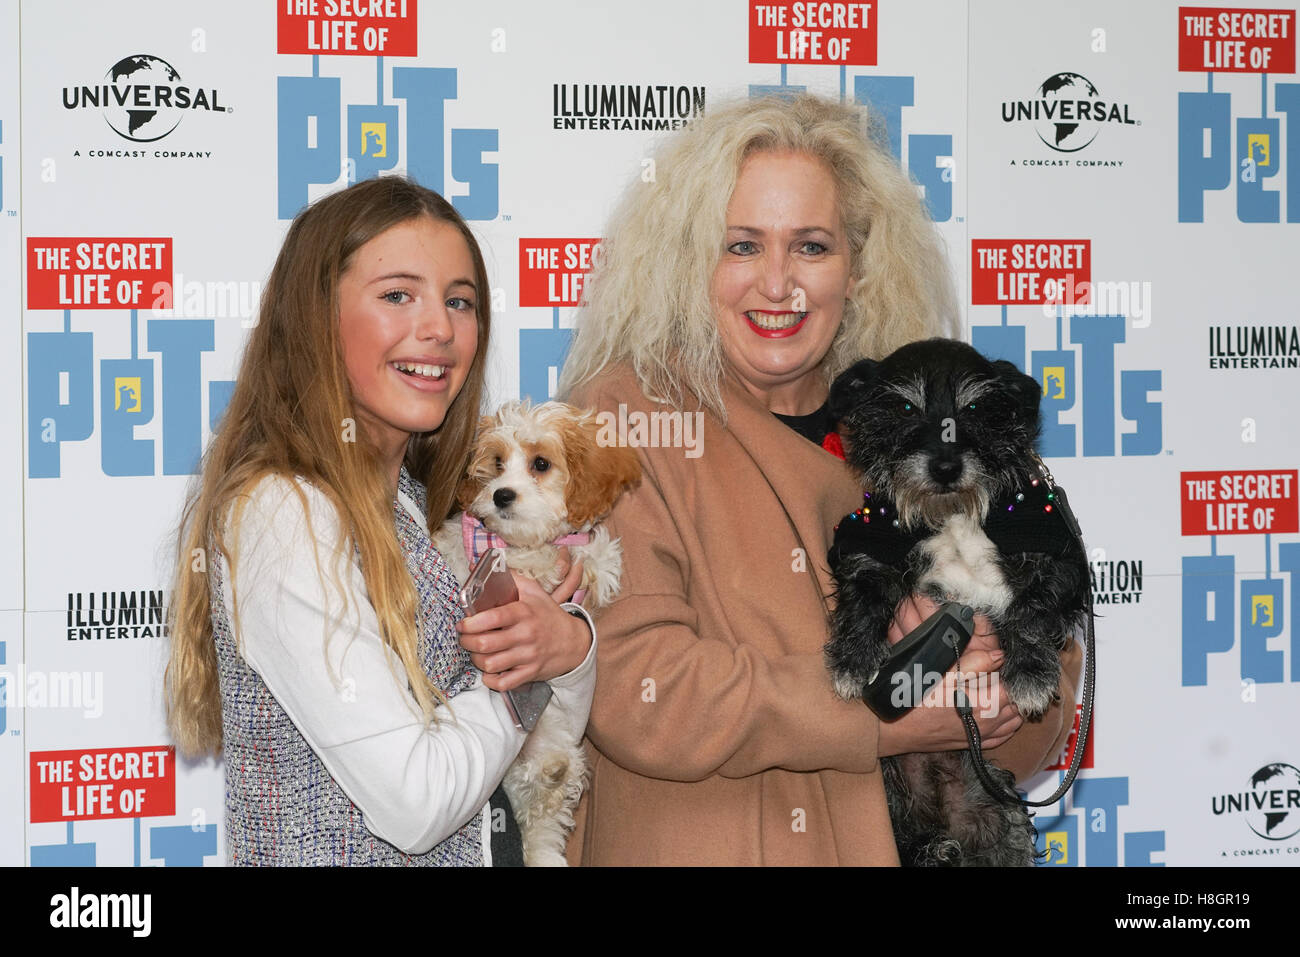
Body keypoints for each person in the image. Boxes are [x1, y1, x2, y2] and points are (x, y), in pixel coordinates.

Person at [559, 94, 1083, 865]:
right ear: (687, 258)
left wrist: (988, 674)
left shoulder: (915, 420)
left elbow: (1045, 710)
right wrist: (888, 705)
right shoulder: (625, 416)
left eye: (811, 246)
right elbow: (639, 690)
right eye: (741, 246)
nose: (779, 283)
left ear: (858, 266)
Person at [164, 176, 596, 866]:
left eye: (461, 301)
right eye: (399, 295)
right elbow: (416, 804)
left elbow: (547, 742)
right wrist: (521, 679)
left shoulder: (409, 505)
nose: (440, 327)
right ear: (315, 318)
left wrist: (566, 647)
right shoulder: (285, 512)